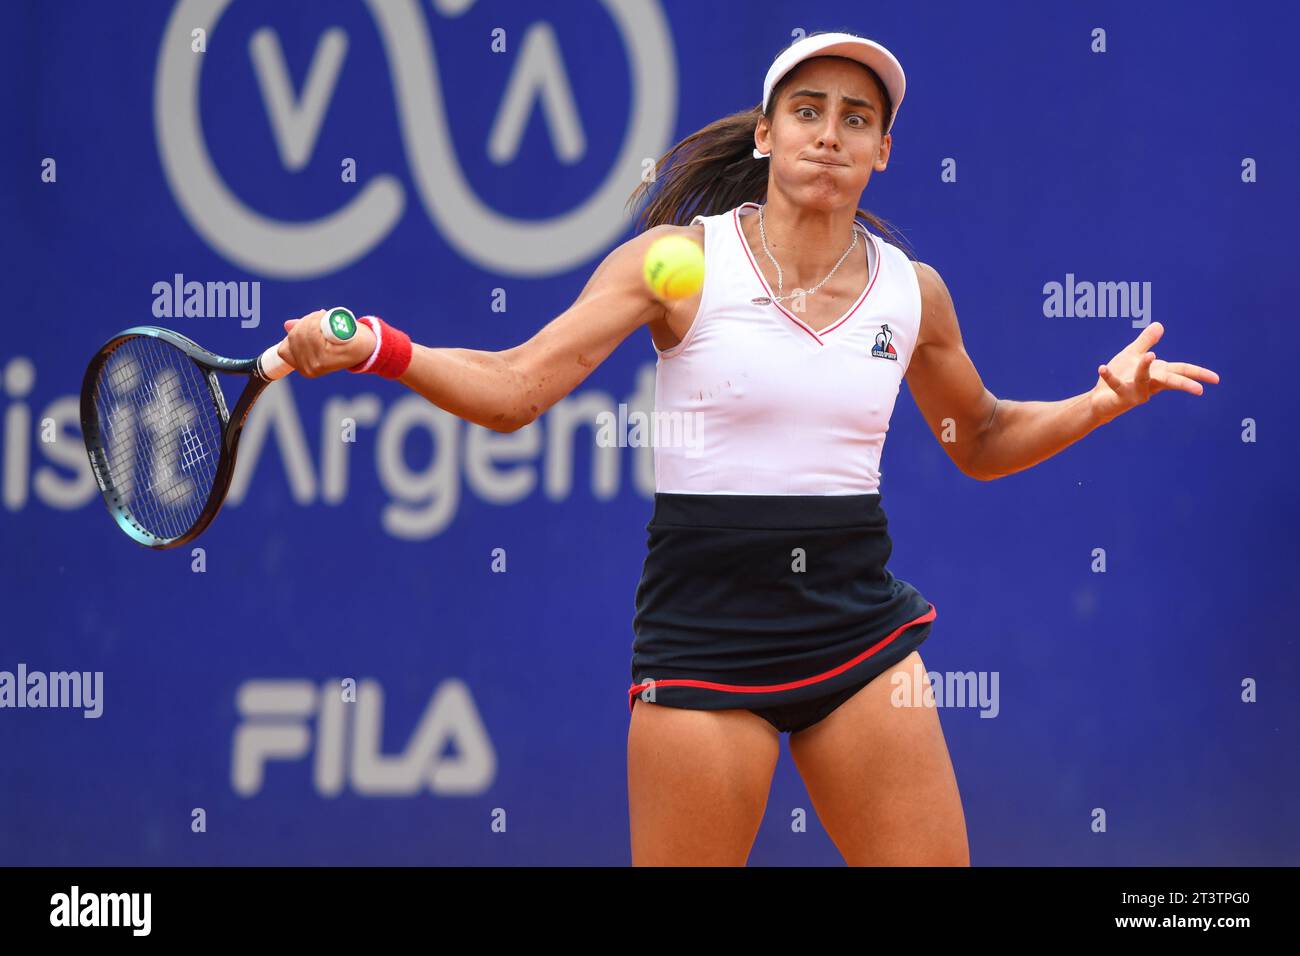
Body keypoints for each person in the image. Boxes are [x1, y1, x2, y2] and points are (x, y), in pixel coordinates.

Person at [276, 31, 1220, 867]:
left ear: (882, 152)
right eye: (807, 111)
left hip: (860, 635)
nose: (829, 132)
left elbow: (976, 437)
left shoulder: (913, 293)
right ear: (766, 134)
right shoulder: (677, 262)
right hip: (704, 640)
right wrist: (379, 347)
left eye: (857, 119)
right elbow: (519, 387)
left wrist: (1100, 401)